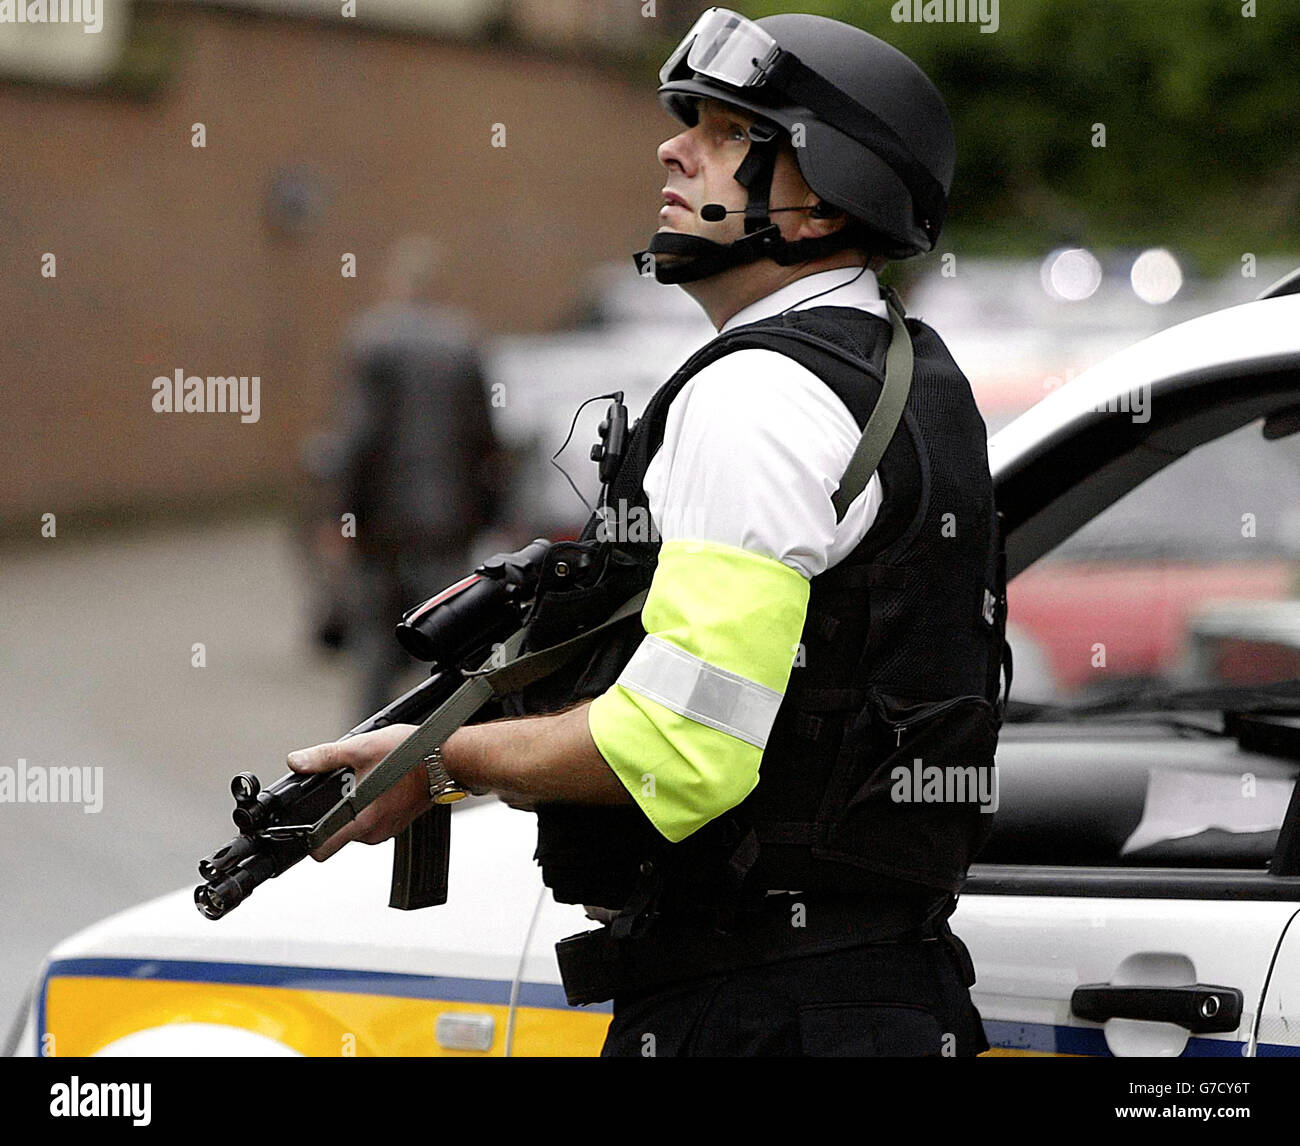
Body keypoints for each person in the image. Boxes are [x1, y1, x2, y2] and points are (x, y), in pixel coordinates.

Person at [288, 9, 1008, 1057]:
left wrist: (435, 767)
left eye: (726, 132)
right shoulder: (904, 367)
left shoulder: (758, 395)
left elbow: (685, 745)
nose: (673, 147)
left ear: (820, 202)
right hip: (877, 992)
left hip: (757, 1010)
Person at [320, 235, 502, 719]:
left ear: (396, 285)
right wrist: (490, 511)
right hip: (449, 521)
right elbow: (486, 439)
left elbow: (358, 439)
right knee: (444, 645)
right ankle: (437, 750)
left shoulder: (370, 341)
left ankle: (365, 755)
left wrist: (341, 516)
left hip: (383, 526)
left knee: (377, 647)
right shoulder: (463, 344)